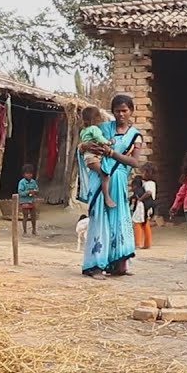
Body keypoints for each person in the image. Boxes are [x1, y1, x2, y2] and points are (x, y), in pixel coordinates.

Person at [77, 94, 142, 277]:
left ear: (131, 111)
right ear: (112, 112)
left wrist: (112, 153)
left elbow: (134, 162)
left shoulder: (135, 136)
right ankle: (95, 266)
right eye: (117, 111)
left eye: (125, 110)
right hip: (100, 178)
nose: (121, 114)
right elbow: (83, 145)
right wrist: (85, 146)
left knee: (119, 220)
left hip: (119, 180)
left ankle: (118, 264)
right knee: (99, 220)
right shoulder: (103, 129)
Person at [78, 105, 117, 209]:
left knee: (102, 174)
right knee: (105, 175)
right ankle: (107, 197)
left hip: (89, 159)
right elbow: (100, 139)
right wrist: (109, 142)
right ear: (95, 118)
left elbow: (83, 145)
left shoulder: (83, 131)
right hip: (93, 157)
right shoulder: (94, 129)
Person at [130, 163, 158, 249]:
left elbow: (148, 192)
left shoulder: (149, 183)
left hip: (143, 206)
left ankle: (137, 243)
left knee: (137, 223)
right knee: (145, 223)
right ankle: (147, 243)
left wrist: (140, 199)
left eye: (143, 172)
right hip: (147, 206)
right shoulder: (151, 183)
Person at [17, 164, 39, 235]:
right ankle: (25, 231)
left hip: (32, 201)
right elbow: (20, 192)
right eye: (27, 173)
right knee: (25, 216)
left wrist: (35, 192)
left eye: (30, 174)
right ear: (24, 174)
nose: (29, 175)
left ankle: (34, 230)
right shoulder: (22, 182)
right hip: (24, 201)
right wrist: (28, 192)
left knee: (33, 216)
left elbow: (37, 189)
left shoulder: (33, 182)